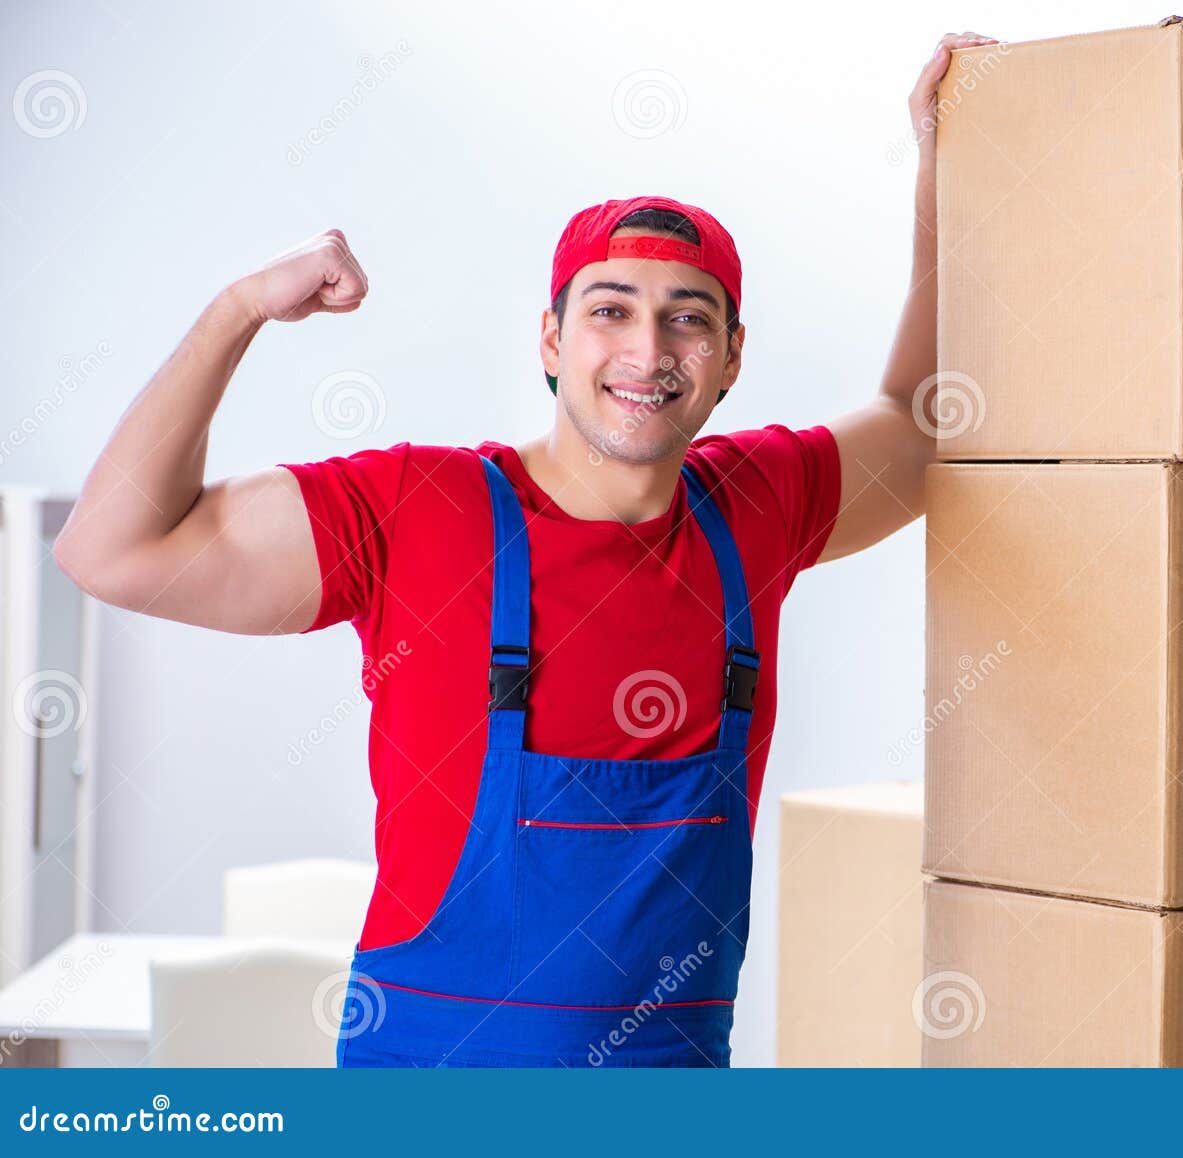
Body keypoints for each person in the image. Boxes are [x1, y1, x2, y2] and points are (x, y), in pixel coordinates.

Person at [53, 31, 999, 1067]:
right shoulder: (418, 508)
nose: (647, 351)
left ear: (731, 357)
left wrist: (943, 164)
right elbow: (113, 548)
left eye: (688, 319)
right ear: (551, 341)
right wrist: (239, 310)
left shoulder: (756, 505)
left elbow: (920, 419)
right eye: (610, 312)